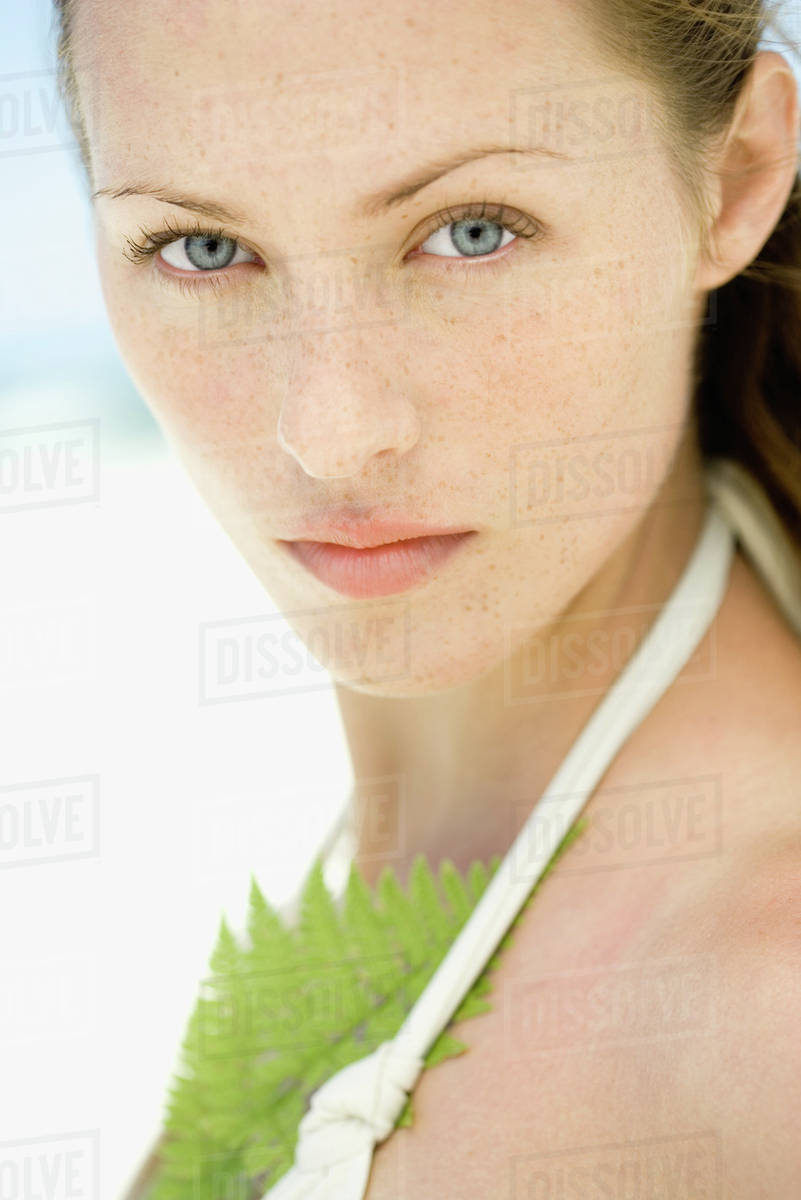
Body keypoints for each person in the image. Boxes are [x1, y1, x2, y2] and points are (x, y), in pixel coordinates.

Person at [53, 0, 801, 1195]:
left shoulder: (765, 1027)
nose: (331, 435)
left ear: (736, 178)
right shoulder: (409, 849)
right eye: (201, 249)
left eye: (472, 230)